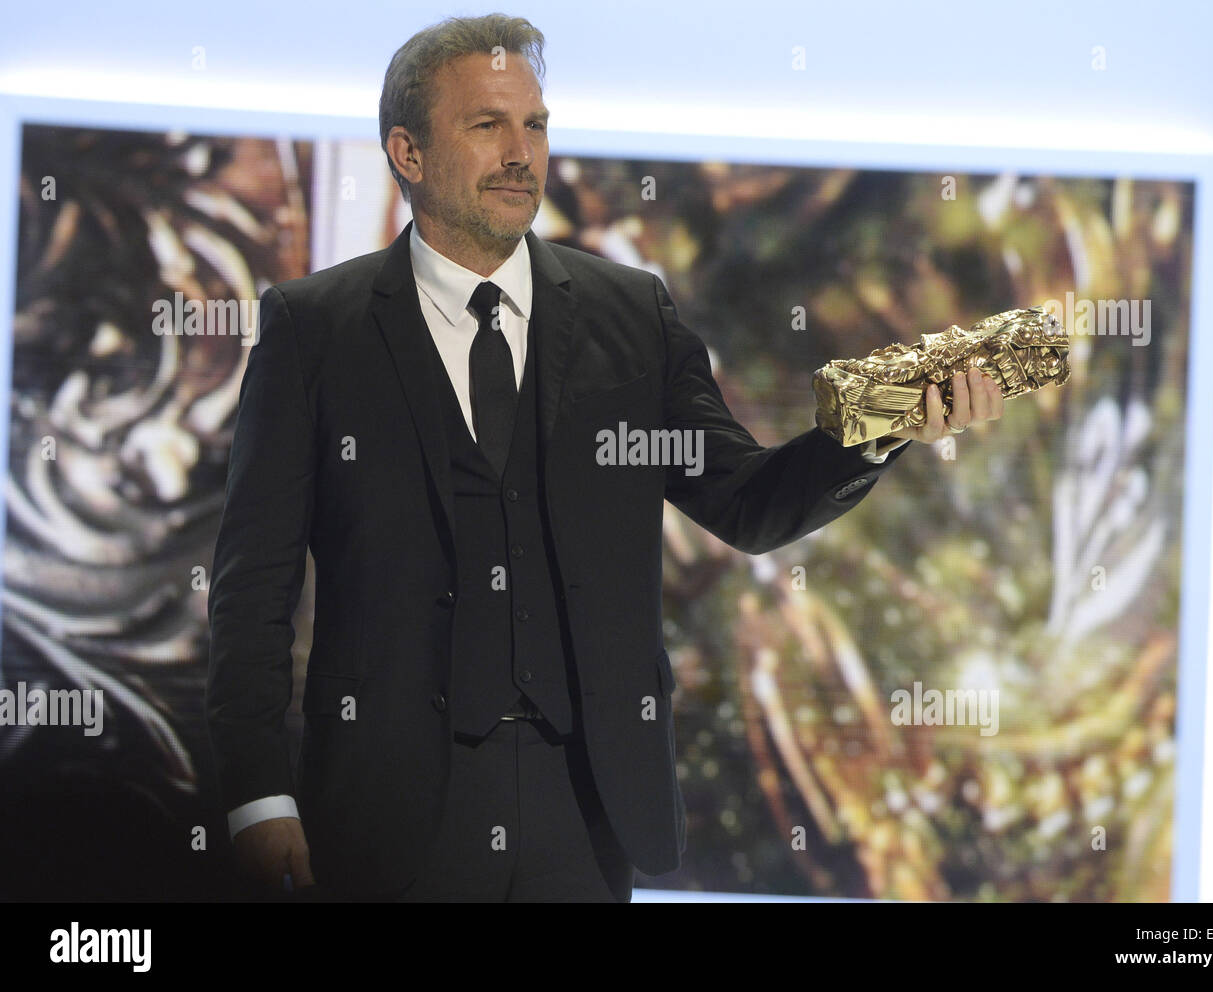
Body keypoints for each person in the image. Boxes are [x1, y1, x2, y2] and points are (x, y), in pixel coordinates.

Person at [204, 13, 1003, 903]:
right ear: (407, 151)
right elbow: (251, 591)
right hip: (386, 818)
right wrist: (256, 796)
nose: (522, 153)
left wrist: (884, 426)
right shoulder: (315, 330)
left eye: (536, 125)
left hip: (584, 816)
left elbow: (745, 501)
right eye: (488, 125)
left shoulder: (633, 315)